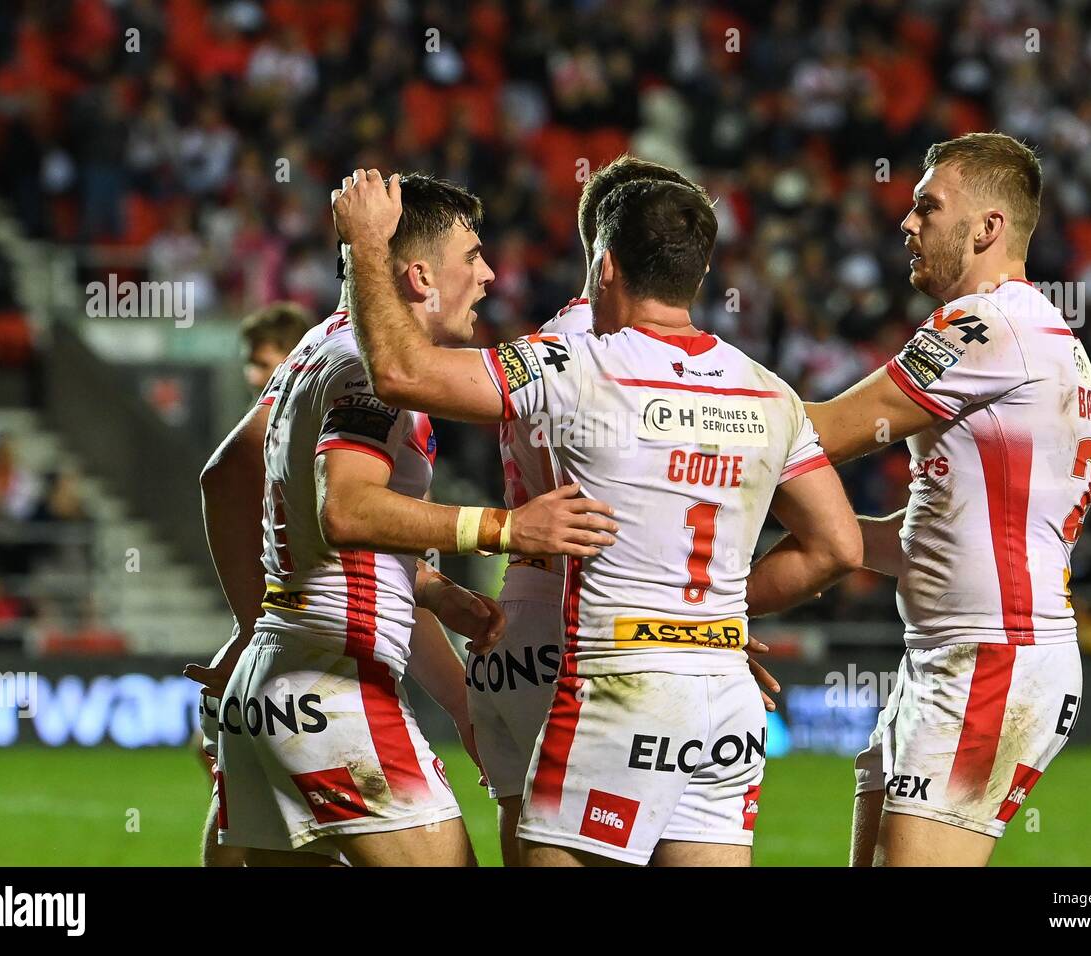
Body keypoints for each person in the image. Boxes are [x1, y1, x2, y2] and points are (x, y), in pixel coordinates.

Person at [333, 169, 861, 866]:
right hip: (725, 690)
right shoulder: (770, 392)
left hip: (606, 670)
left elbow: (400, 373)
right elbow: (839, 547)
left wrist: (366, 247)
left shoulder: (572, 361)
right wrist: (722, 615)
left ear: (603, 264)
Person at [192, 174, 616, 867]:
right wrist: (508, 529)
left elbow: (225, 476)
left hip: (268, 688)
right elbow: (348, 509)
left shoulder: (311, 350)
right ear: (420, 276)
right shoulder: (369, 367)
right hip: (335, 688)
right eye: (473, 256)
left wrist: (423, 588)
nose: (489, 275)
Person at [749, 133, 1091, 866]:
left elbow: (827, 433)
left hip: (991, 654)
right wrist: (824, 539)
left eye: (927, 207)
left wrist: (689, 415)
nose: (907, 225)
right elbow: (927, 540)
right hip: (960, 650)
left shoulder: (987, 324)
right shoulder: (1041, 332)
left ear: (988, 228)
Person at [467, 154, 785, 867]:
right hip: (592, 630)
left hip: (515, 619)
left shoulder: (539, 345)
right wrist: (706, 630)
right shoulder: (613, 354)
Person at [191, 301, 313, 867]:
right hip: (286, 634)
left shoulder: (298, 429)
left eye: (267, 362)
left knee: (241, 786)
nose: (257, 376)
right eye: (252, 363)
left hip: (301, 630)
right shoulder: (267, 438)